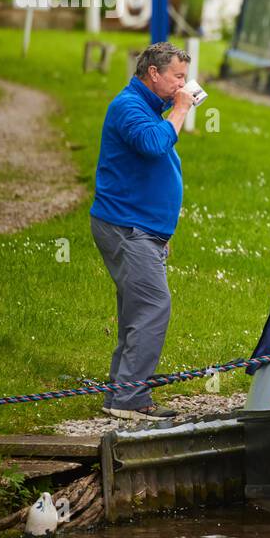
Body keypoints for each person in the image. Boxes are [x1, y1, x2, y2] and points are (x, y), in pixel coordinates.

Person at [90, 42, 194, 420]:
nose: (183, 84)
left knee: (137, 309)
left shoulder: (147, 107)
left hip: (143, 230)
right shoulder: (128, 107)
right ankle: (131, 399)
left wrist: (162, 234)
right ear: (154, 73)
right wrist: (180, 109)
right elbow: (154, 145)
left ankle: (119, 394)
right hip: (127, 227)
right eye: (177, 77)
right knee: (153, 306)